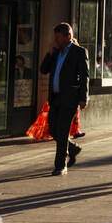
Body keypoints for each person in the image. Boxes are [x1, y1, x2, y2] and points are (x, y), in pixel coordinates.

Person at [39, 22, 89, 177]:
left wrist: (83, 97)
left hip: (69, 98)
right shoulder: (55, 53)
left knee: (62, 130)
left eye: (59, 37)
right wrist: (49, 53)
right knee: (53, 129)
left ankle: (60, 165)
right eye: (56, 37)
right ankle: (72, 148)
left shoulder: (79, 52)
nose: (57, 40)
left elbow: (84, 76)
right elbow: (43, 69)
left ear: (68, 36)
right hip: (55, 98)